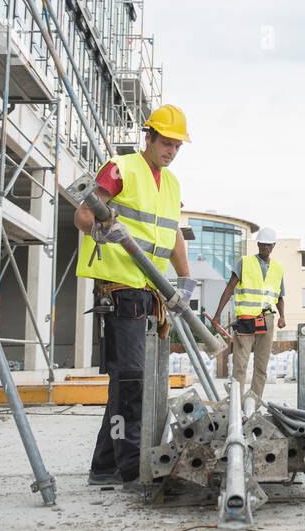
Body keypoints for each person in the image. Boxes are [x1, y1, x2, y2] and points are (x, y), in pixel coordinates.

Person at [73, 105, 197, 486]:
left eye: (177, 145)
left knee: (128, 383)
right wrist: (98, 230)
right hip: (121, 287)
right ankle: (129, 468)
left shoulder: (171, 184)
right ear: (148, 136)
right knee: (132, 381)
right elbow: (82, 214)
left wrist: (186, 281)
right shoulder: (121, 168)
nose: (171, 151)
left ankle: (104, 466)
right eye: (165, 143)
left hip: (151, 290)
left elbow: (172, 234)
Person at [213, 227, 285, 403]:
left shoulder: (278, 268)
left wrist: (282, 316)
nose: (265, 247)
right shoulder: (244, 263)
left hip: (267, 319)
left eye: (269, 245)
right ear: (258, 244)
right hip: (246, 319)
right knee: (240, 363)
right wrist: (217, 315)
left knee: (262, 364)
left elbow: (280, 296)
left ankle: (254, 402)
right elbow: (230, 288)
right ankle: (236, 403)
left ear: (273, 246)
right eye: (262, 244)